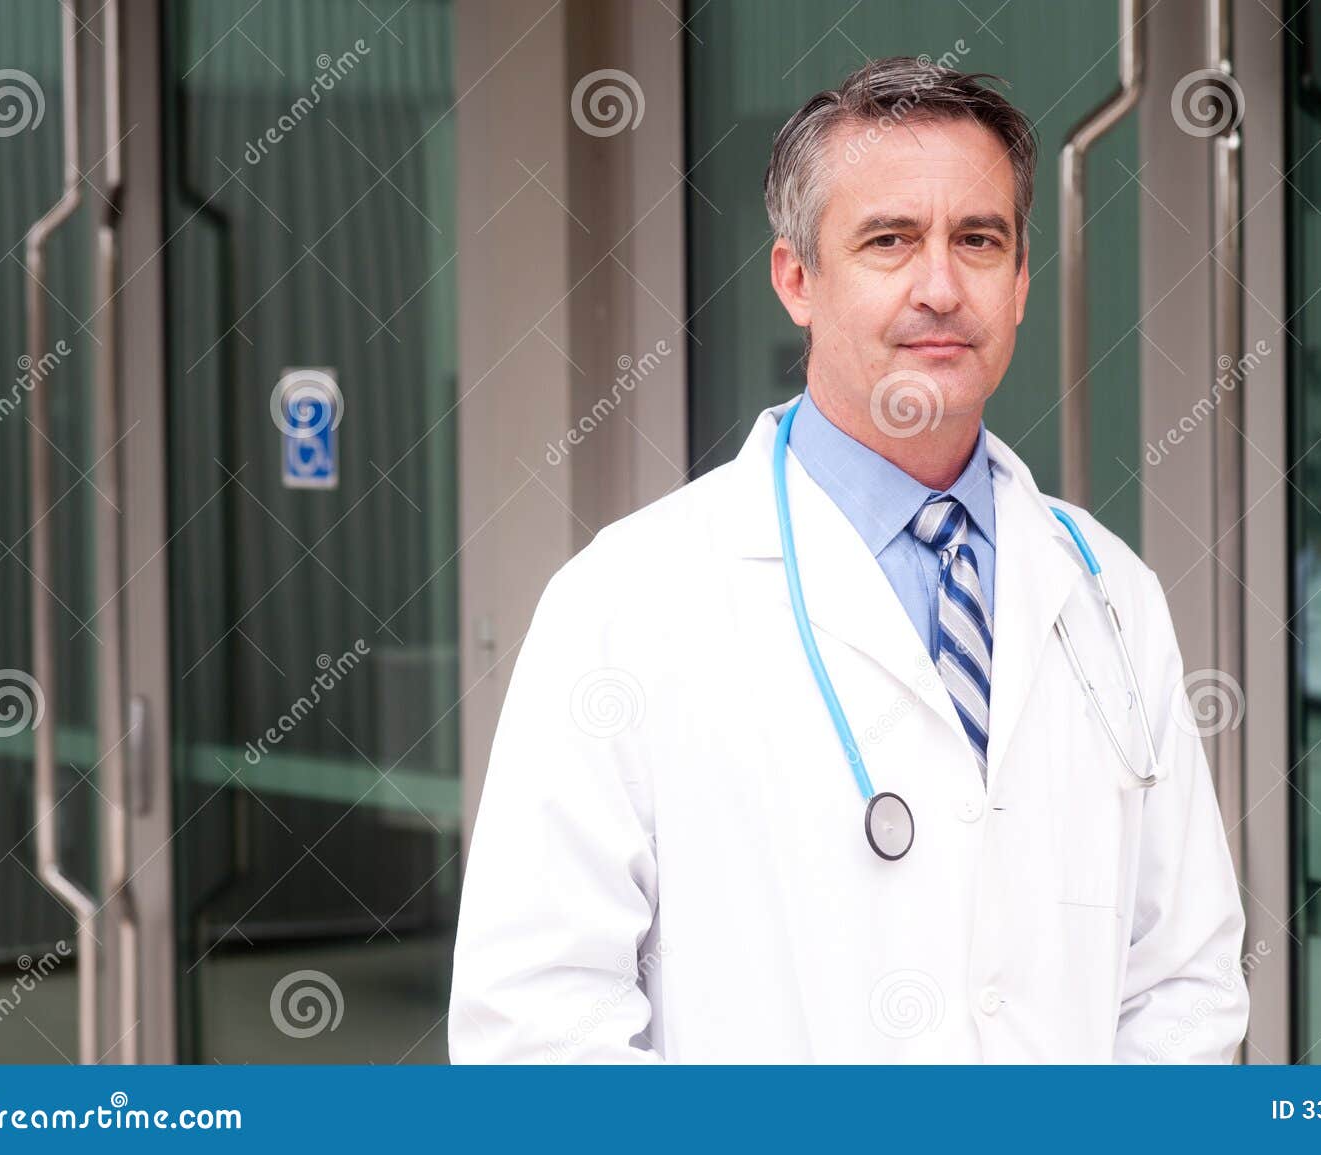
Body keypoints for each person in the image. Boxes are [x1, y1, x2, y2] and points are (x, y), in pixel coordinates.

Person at [449, 57, 1247, 1063]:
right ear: (796, 279)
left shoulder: (1109, 591)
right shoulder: (627, 599)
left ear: (1021, 281)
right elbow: (538, 1019)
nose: (942, 287)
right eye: (888, 241)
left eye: (978, 240)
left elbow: (1184, 978)